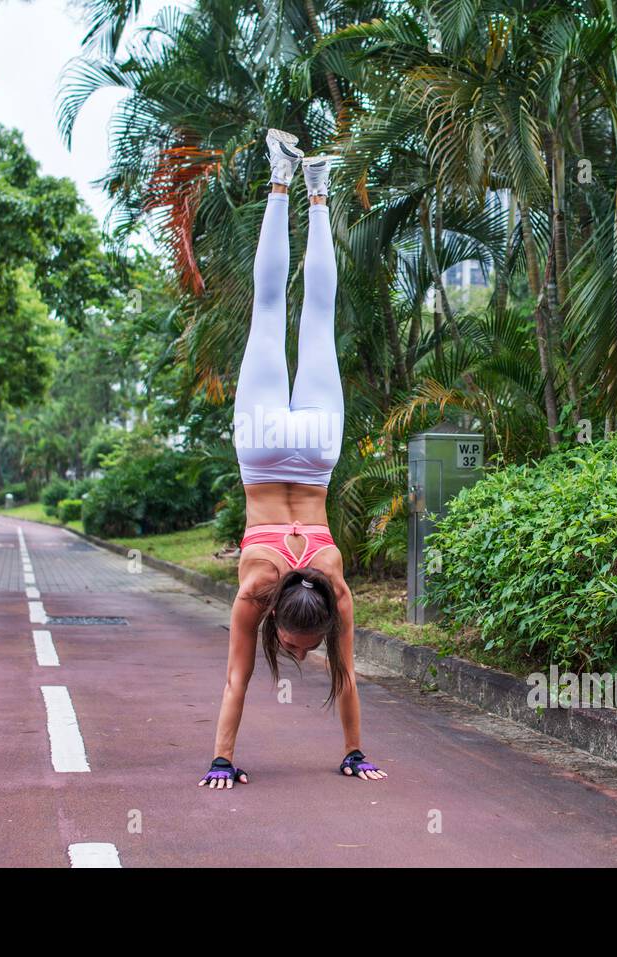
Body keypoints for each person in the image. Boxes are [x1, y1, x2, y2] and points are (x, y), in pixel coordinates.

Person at [198, 129, 387, 789]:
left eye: (295, 648)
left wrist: (356, 752)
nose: (299, 652)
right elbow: (235, 679)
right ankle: (282, 177)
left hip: (315, 450)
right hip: (260, 446)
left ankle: (315, 189)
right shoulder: (255, 587)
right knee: (271, 312)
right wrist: (219, 760)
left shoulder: (335, 583)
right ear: (279, 612)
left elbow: (343, 674)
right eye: (303, 647)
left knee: (316, 317)